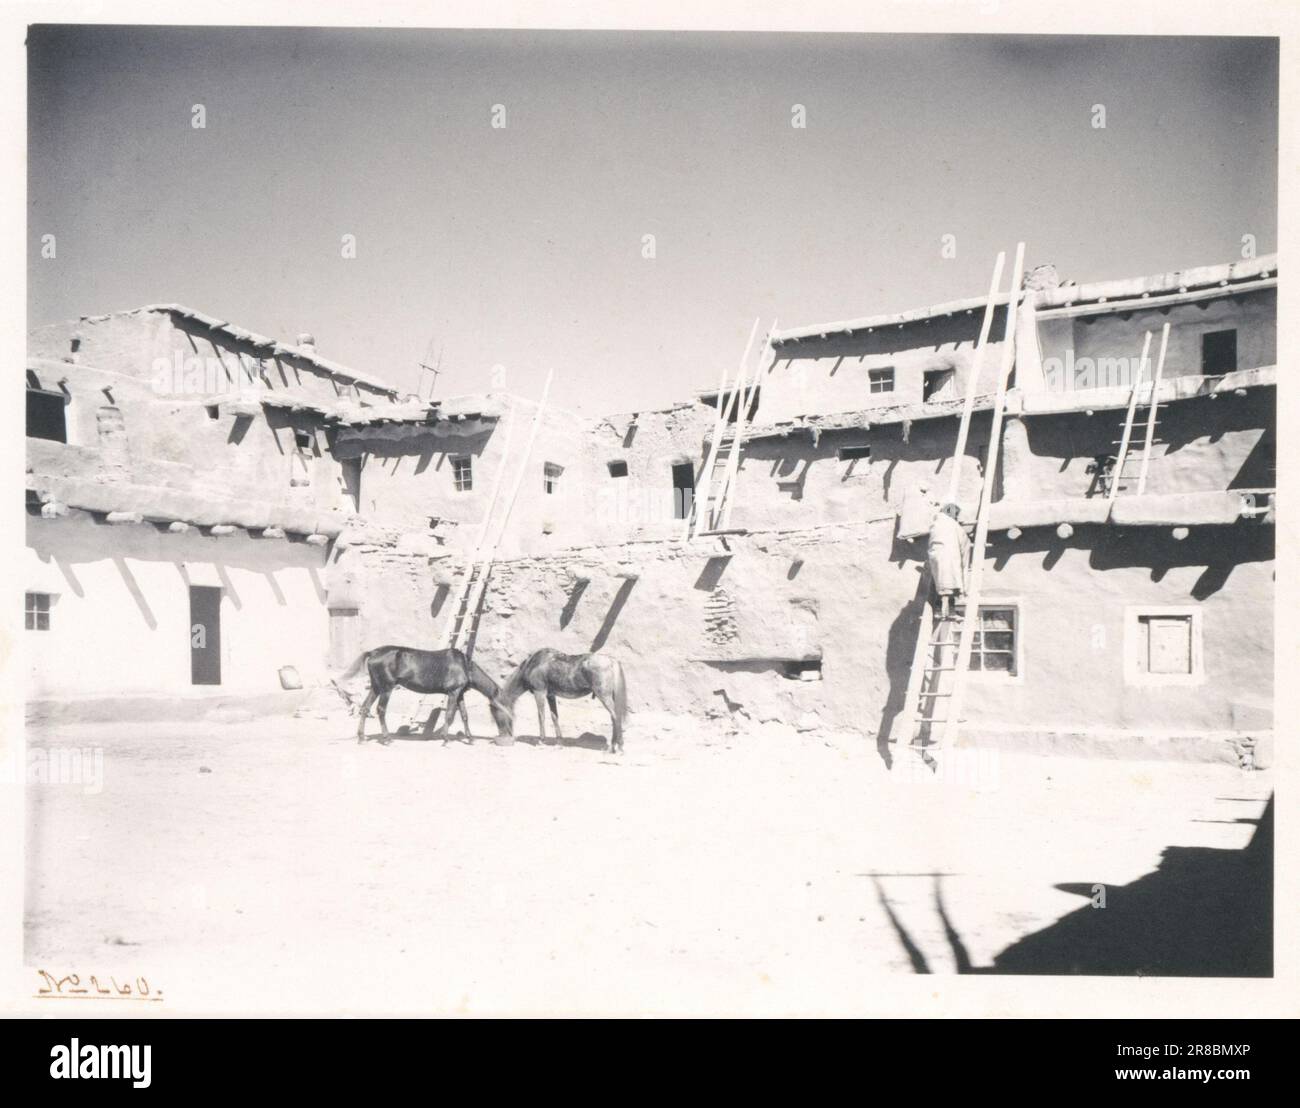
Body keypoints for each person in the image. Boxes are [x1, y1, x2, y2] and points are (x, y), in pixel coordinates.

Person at [927, 503, 969, 618]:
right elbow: (963, 539)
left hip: (937, 556)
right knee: (952, 583)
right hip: (949, 557)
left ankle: (938, 610)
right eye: (956, 515)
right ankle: (950, 610)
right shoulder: (952, 525)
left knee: (940, 584)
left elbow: (932, 540)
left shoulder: (936, 523)